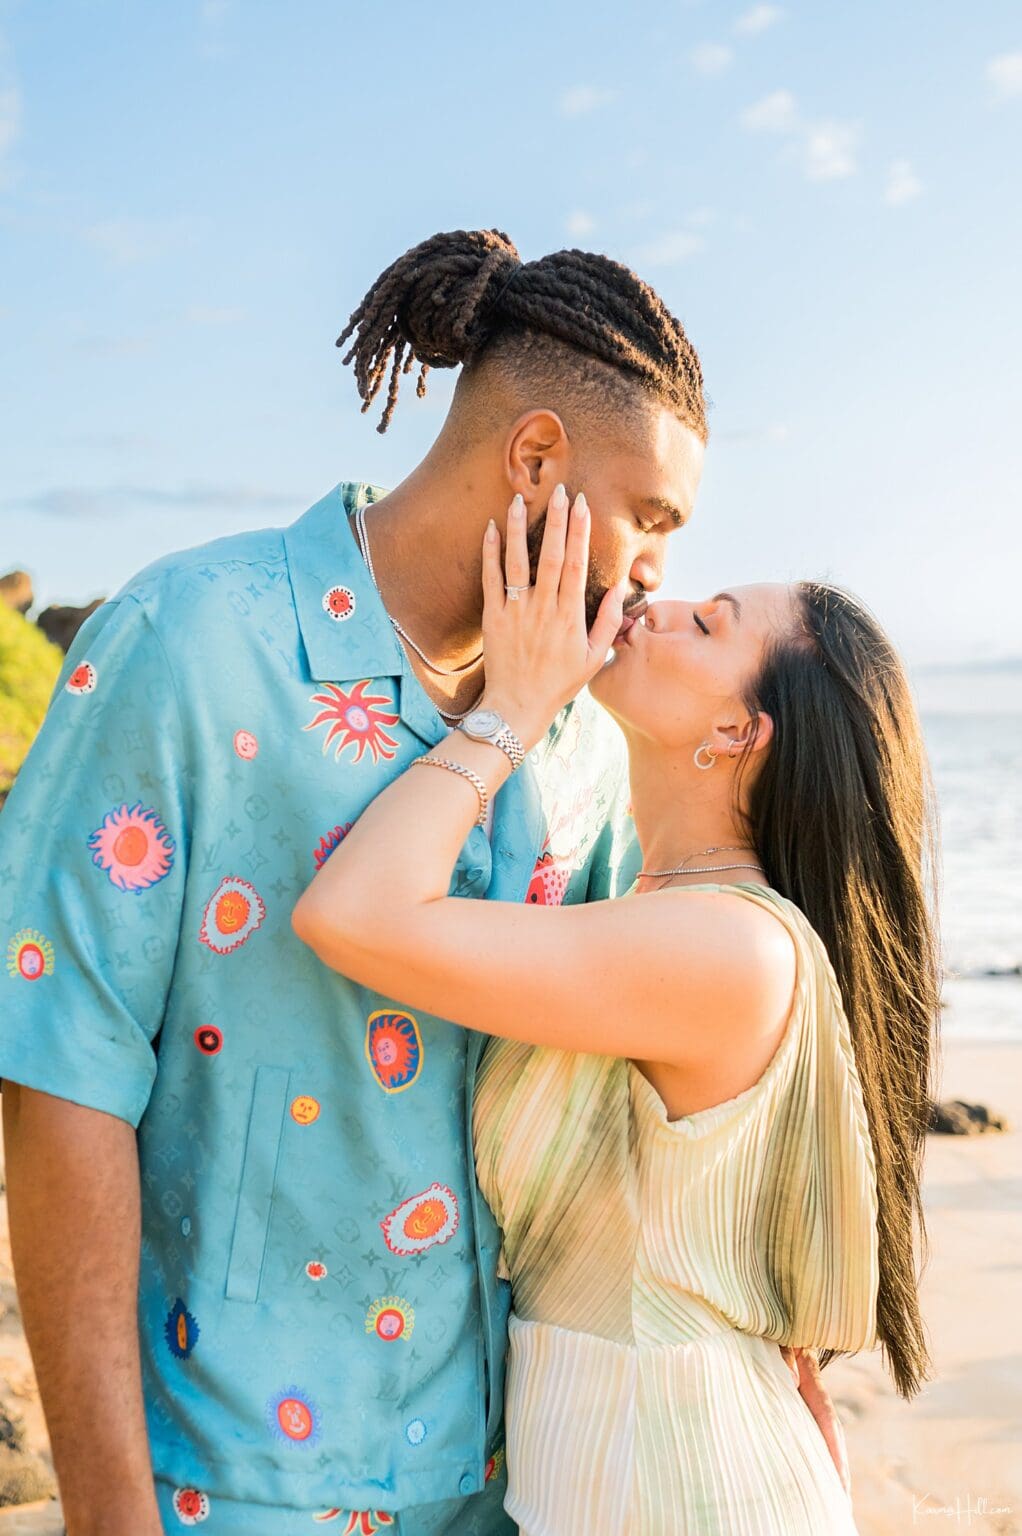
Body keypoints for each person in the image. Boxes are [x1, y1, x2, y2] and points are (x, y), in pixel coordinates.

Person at [0, 229, 707, 1535]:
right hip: (230, 1488)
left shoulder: (584, 746)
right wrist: (107, 1510)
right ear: (535, 457)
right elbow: (59, 1075)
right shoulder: (191, 642)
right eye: (651, 518)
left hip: (521, 1480)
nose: (659, 571)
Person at [293, 489, 941, 1534]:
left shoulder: (726, 948)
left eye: (708, 622)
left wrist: (511, 711)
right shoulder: (660, 910)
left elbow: (353, 914)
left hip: (688, 1485)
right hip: (613, 1467)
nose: (658, 602)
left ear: (738, 730)